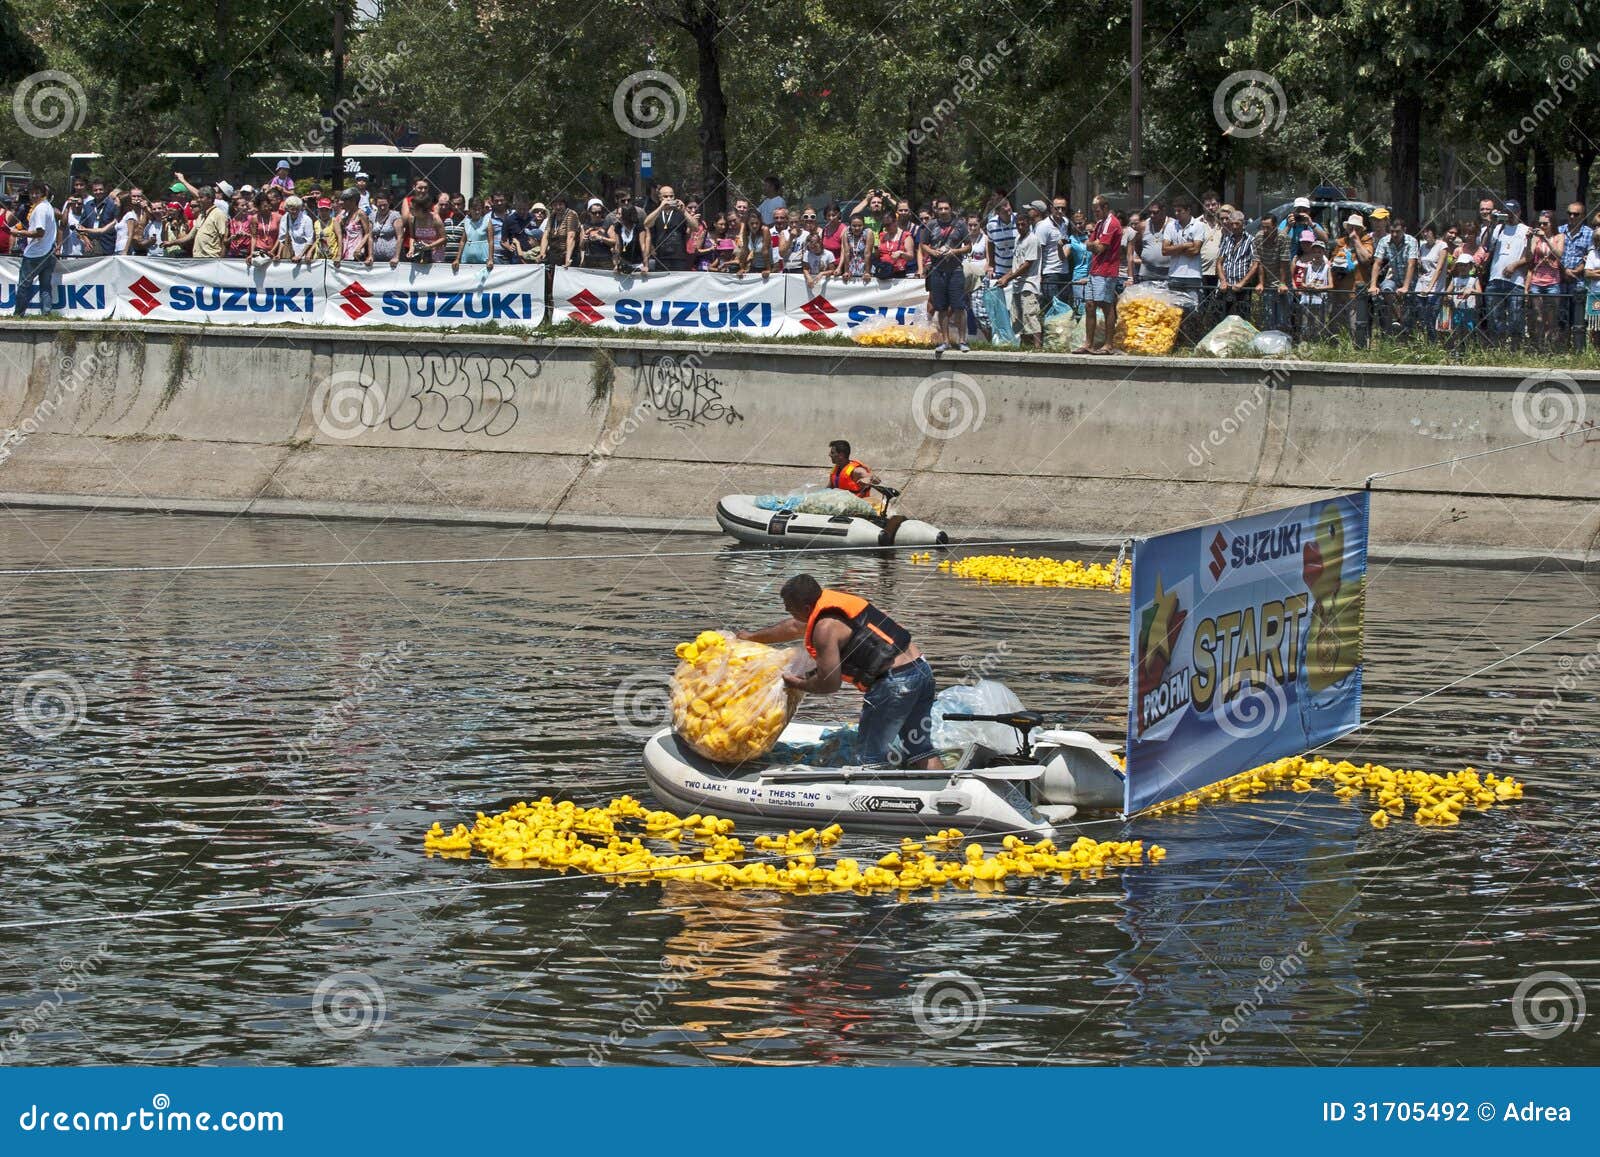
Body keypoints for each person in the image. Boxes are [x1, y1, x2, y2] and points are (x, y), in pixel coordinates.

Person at [739, 575, 940, 771]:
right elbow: (792, 627)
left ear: (806, 608)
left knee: (870, 759)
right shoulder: (836, 605)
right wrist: (751, 637)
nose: (786, 610)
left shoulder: (824, 629)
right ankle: (943, 786)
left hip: (894, 684)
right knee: (920, 749)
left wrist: (797, 683)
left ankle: (871, 791)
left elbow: (829, 684)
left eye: (789, 607)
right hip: (921, 670)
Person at [921, 198, 970, 352]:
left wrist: (955, 251)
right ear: (936, 210)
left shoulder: (960, 225)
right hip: (937, 270)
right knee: (940, 307)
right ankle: (945, 341)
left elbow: (969, 246)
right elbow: (923, 244)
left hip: (955, 269)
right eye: (940, 208)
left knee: (959, 306)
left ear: (951, 209)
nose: (943, 211)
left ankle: (962, 341)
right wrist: (932, 252)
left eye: (946, 208)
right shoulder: (931, 225)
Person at [1079, 194, 1122, 354]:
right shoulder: (1099, 224)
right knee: (1090, 305)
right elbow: (1089, 244)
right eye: (1093, 211)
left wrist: (1093, 244)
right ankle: (1088, 344)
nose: (1095, 214)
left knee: (1106, 305)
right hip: (1095, 269)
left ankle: (1108, 345)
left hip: (1107, 270)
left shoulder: (1111, 223)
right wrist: (1093, 244)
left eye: (1097, 210)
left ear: (1105, 207)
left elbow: (1099, 248)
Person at [1483, 199, 1531, 345]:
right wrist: (1492, 224)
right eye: (1506, 212)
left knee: (1515, 316)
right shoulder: (1498, 228)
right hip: (1495, 278)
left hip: (1515, 281)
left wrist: (1514, 265)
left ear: (1518, 213)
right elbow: (1486, 246)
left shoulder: (1525, 230)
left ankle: (1515, 346)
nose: (1509, 215)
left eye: (1512, 213)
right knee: (1494, 315)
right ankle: (1497, 345)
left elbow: (1529, 256)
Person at [11, 181, 58, 317]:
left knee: (24, 285)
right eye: (31, 193)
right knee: (45, 285)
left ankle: (18, 314)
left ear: (43, 193)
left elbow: (39, 232)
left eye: (37, 193)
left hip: (35, 253)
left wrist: (19, 233)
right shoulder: (47, 206)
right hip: (49, 251)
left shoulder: (40, 209)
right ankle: (46, 313)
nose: (33, 196)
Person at [1001, 207, 1043, 348]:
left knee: (1030, 315)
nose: (1020, 227)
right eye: (1017, 224)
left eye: (1023, 224)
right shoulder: (1018, 239)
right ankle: (1023, 346)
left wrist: (1008, 278)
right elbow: (1016, 264)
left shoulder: (1032, 240)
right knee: (1018, 318)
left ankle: (1037, 347)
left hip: (1029, 284)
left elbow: (1027, 265)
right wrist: (1006, 276)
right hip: (1017, 284)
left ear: (1029, 223)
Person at [1559, 201, 1592, 352]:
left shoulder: (1589, 233)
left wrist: (1577, 271)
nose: (1572, 216)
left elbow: (1589, 256)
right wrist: (1564, 270)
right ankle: (1562, 347)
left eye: (1576, 214)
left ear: (1583, 216)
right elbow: (1554, 254)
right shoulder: (1560, 231)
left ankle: (1578, 349)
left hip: (1579, 282)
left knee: (1577, 316)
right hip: (1560, 279)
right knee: (1561, 315)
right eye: (1569, 213)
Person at [645, 184, 697, 272]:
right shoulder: (656, 213)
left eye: (671, 196)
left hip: (679, 257)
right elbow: (646, 224)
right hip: (661, 257)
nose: (669, 199)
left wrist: (684, 211)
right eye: (665, 196)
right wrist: (660, 207)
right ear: (660, 198)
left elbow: (695, 227)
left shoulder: (680, 212)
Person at [454, 196, 494, 273]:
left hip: (483, 261)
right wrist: (457, 259)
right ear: (469, 210)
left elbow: (491, 241)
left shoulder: (487, 221)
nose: (477, 212)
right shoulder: (466, 221)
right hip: (467, 260)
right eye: (474, 209)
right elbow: (462, 241)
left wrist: (490, 259)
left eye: (479, 209)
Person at [275, 195, 316, 263]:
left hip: (303, 256)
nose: (295, 211)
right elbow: (282, 238)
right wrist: (278, 254)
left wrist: (300, 256)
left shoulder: (307, 219)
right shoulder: (284, 218)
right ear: (287, 209)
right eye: (292, 209)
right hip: (289, 254)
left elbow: (309, 240)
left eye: (297, 209)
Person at [336, 188, 371, 268]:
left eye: (345, 200)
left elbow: (367, 233)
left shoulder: (361, 213)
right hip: (346, 249)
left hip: (356, 252)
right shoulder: (346, 214)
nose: (343, 202)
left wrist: (359, 247)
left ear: (353, 201)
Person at [367, 191, 401, 267]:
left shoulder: (395, 216)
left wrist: (396, 256)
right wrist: (370, 255)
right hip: (376, 257)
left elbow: (400, 237)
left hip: (392, 258)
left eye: (385, 205)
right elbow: (370, 237)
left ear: (389, 203)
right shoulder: (372, 216)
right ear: (376, 204)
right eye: (379, 205)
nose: (382, 207)